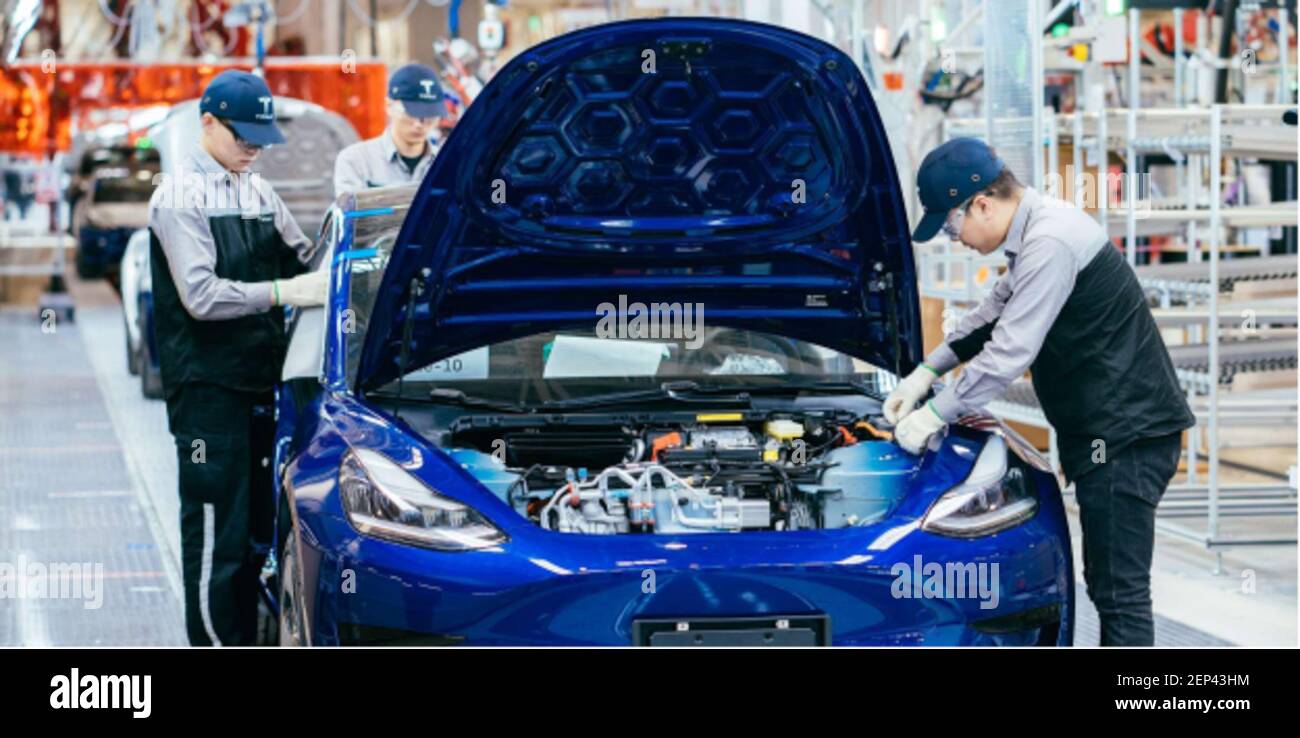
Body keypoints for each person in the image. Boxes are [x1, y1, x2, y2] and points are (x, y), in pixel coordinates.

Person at [886, 137, 1195, 646]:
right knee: (1108, 586)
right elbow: (991, 316)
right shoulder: (1036, 231)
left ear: (981, 204)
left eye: (950, 224)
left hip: (1127, 438)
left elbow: (1009, 352)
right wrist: (925, 371)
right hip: (1110, 434)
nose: (952, 237)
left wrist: (934, 413)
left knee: (1120, 594)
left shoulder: (1049, 242)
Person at [148, 69, 328, 646]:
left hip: (258, 382)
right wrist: (281, 293)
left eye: (259, 140)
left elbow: (305, 259)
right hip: (208, 392)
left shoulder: (256, 189)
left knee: (254, 532)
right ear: (207, 123)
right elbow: (200, 296)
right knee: (215, 536)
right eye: (243, 137)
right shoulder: (179, 196)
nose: (252, 150)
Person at [333, 63, 448, 193]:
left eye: (429, 115)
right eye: (411, 113)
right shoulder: (356, 161)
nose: (419, 124)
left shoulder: (447, 165)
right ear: (389, 106)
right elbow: (353, 211)